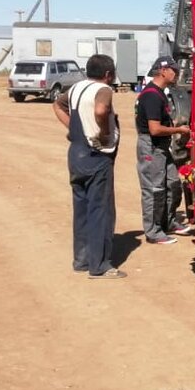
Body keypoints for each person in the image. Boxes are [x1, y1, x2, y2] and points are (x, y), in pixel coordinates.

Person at [53, 54, 124, 278]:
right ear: (107, 74)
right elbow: (101, 110)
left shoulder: (76, 88)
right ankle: (100, 265)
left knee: (81, 210)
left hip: (76, 154)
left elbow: (57, 105)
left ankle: (82, 260)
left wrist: (74, 129)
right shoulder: (104, 90)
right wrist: (102, 133)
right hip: (96, 156)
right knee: (100, 210)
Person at [135, 56, 193, 244]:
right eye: (173, 70)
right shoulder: (151, 95)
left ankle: (167, 221)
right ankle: (153, 231)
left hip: (160, 146)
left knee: (173, 183)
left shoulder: (159, 93)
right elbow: (154, 129)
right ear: (163, 71)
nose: (176, 74)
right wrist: (178, 130)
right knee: (155, 189)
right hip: (151, 146)